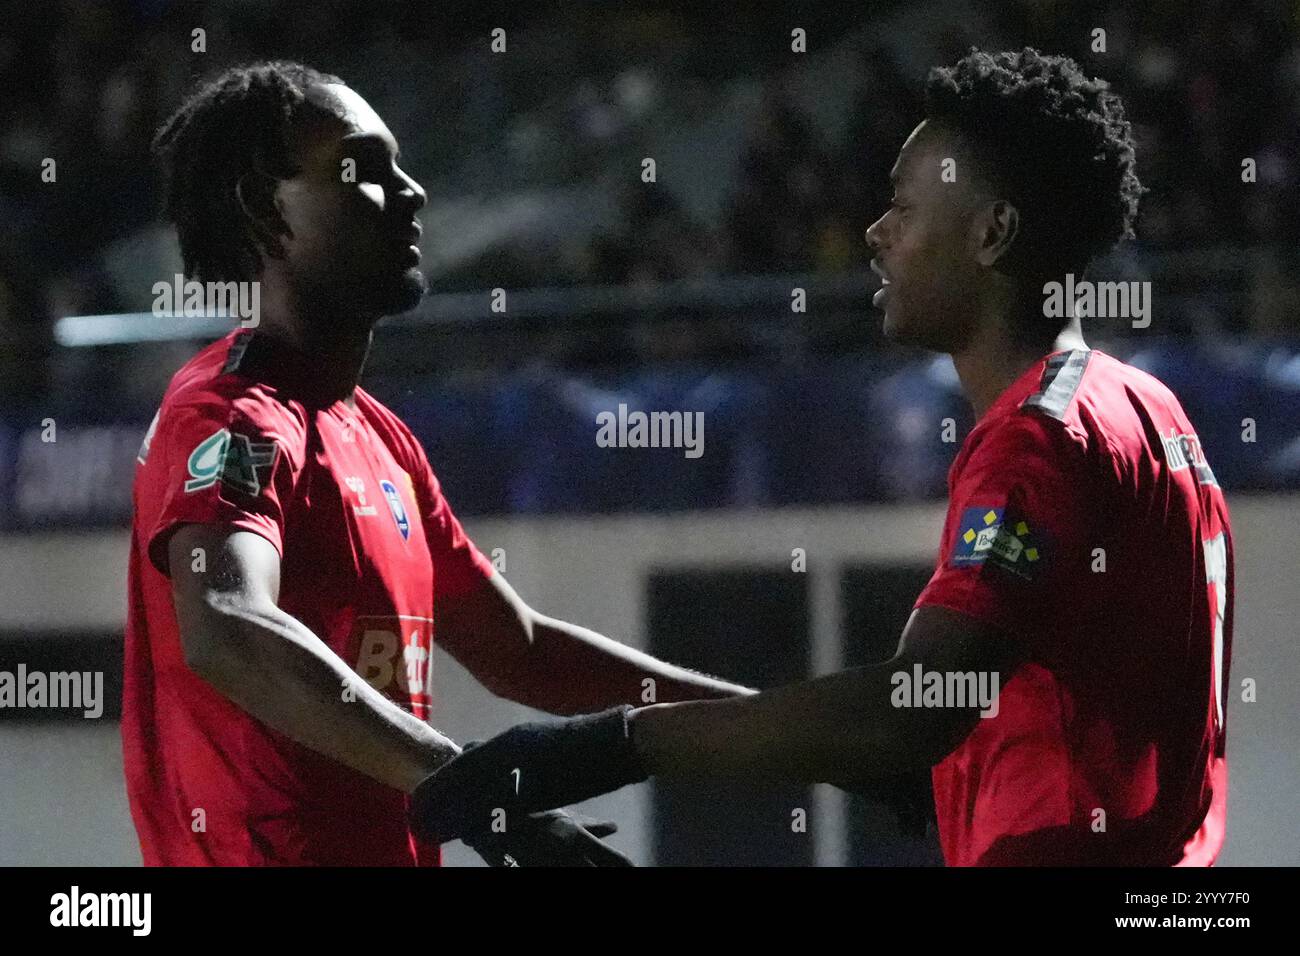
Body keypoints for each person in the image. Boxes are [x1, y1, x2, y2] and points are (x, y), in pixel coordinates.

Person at [411, 49, 1235, 867]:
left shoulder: (1037, 439)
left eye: (904, 209)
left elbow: (910, 711)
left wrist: (608, 748)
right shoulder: (1145, 407)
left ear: (992, 233)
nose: (876, 234)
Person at [122, 61, 751, 867]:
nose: (412, 191)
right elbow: (230, 629)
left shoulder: (381, 437)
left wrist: (778, 729)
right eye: (365, 171)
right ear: (263, 208)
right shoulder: (229, 413)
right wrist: (473, 790)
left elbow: (520, 651)